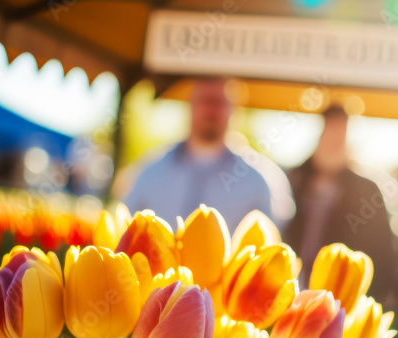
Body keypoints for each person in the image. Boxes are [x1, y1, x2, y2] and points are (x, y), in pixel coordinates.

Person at [121, 76, 284, 229]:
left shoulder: (260, 180)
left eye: (219, 102)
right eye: (205, 100)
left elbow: (270, 243)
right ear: (190, 105)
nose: (211, 109)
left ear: (234, 110)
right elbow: (126, 230)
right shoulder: (149, 171)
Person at [282, 105, 398, 305]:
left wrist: (370, 299)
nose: (335, 139)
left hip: (339, 297)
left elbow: (383, 251)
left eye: (341, 132)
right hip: (291, 290)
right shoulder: (295, 179)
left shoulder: (367, 190)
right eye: (331, 130)